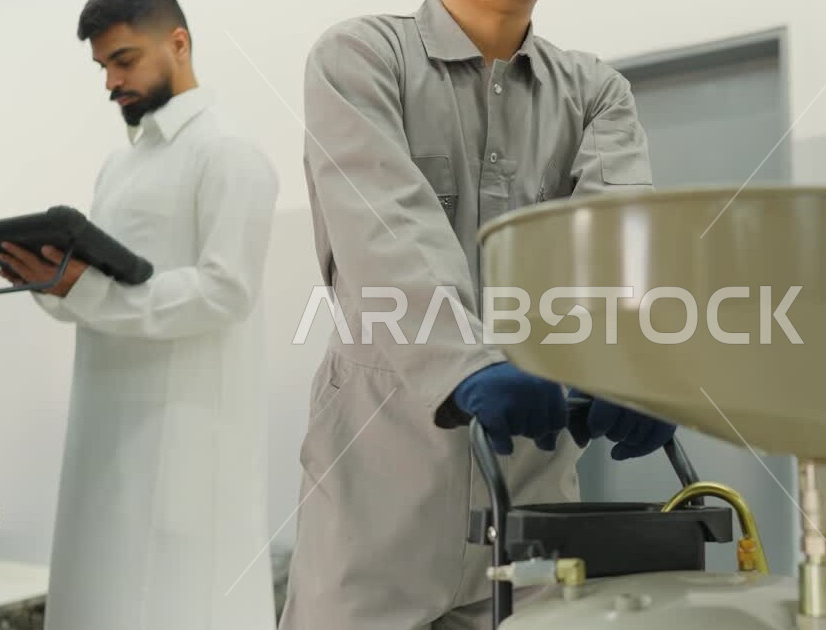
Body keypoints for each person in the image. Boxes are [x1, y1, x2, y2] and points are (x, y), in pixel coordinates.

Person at [283, 0, 677, 628]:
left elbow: (615, 246)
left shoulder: (595, 92)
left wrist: (631, 367)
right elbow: (386, 230)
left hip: (534, 496)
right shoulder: (362, 57)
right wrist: (469, 365)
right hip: (380, 486)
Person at [0, 1, 279, 628]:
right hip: (103, 444)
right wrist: (49, 281)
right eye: (102, 67)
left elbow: (225, 291)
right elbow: (100, 298)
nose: (110, 82)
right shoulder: (120, 167)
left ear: (178, 44)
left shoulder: (229, 152)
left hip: (187, 452)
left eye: (123, 61)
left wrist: (87, 293)